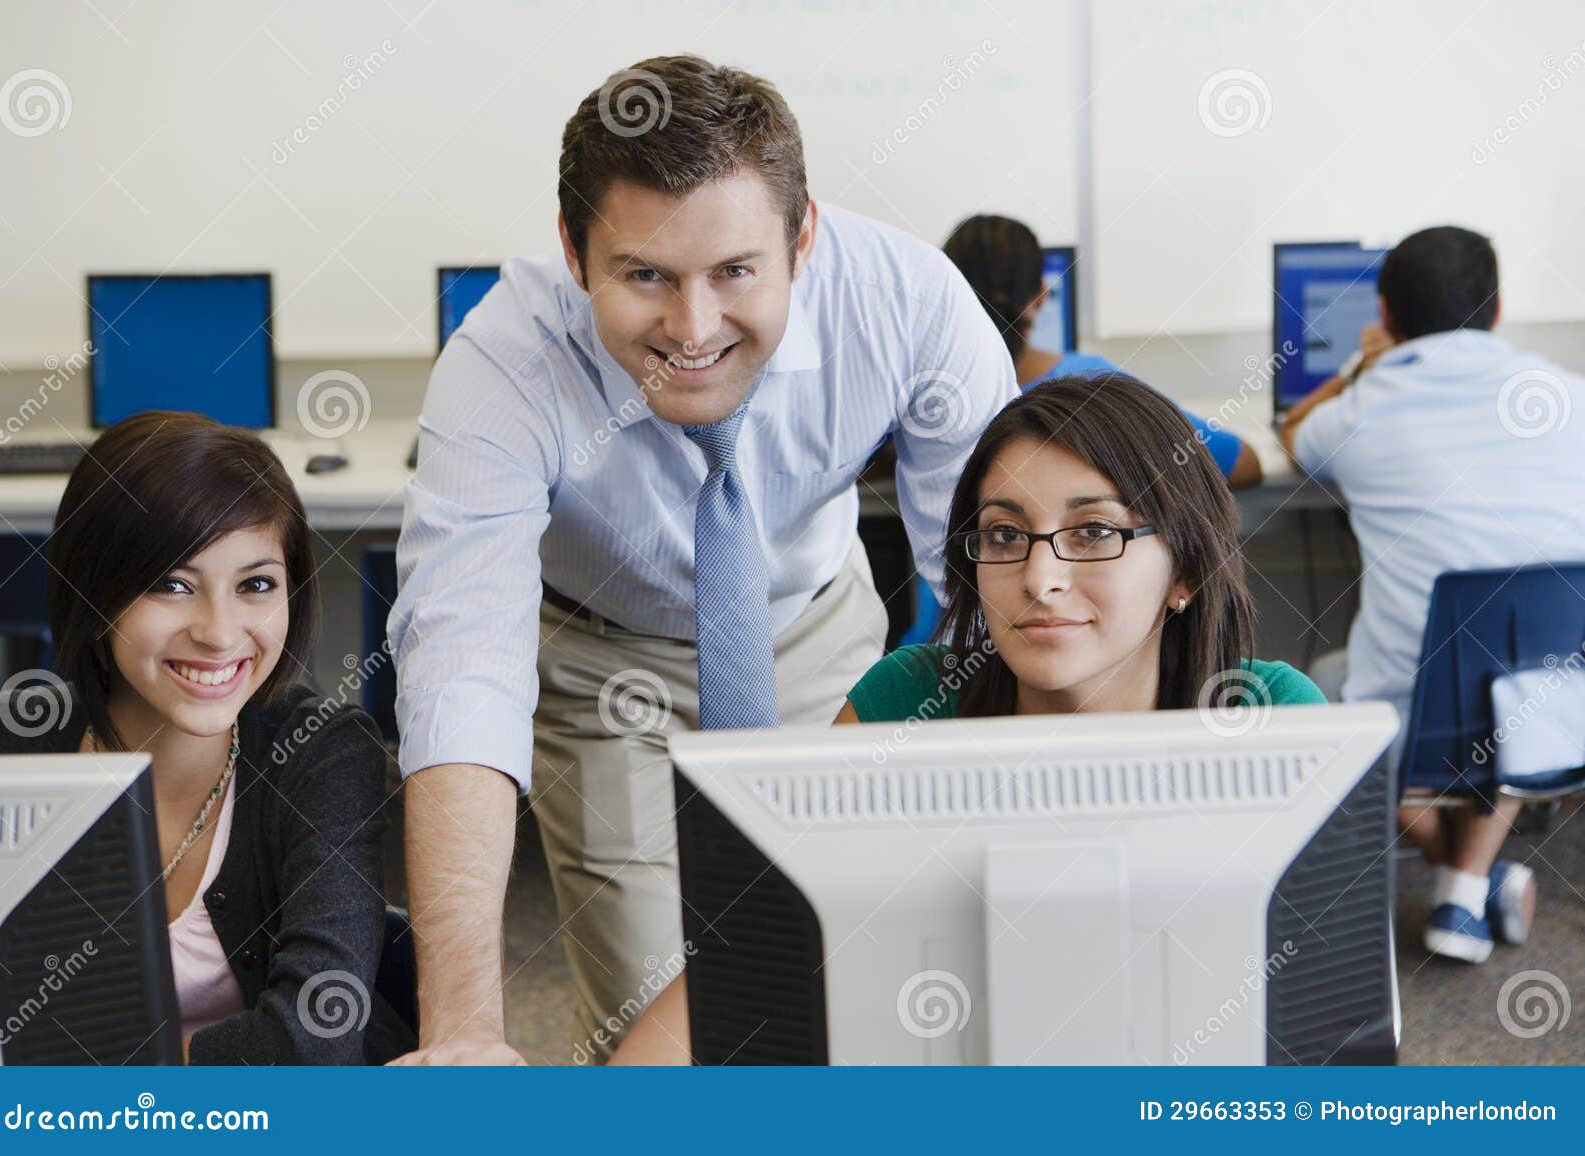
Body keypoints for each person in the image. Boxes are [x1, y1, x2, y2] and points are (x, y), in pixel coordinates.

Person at [386, 55, 1018, 1064]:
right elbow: (462, 675)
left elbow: (995, 593)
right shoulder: (506, 360)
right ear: (575, 253)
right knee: (663, 1029)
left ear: (802, 239)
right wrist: (461, 1033)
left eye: (734, 272)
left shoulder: (906, 305)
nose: (692, 329)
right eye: (645, 275)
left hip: (817, 634)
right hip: (603, 665)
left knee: (853, 984)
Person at [610, 370, 1323, 1064]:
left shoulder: (1264, 717)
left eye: (1094, 531)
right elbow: (754, 949)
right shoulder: (907, 706)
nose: (1040, 579)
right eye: (1005, 536)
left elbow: (1322, 1014)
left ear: (1185, 570)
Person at [0, 411, 414, 1063]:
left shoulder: (321, 753)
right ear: (94, 592)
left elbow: (312, 1039)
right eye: (173, 584)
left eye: (255, 585)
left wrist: (97, 1073)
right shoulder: (5, 742)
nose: (219, 632)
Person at [1281, 224, 1585, 963]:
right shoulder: (1567, 398)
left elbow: (1293, 434)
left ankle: (1463, 878)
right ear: (1498, 309)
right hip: (1553, 704)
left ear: (1384, 314)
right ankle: (1467, 887)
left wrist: (1359, 367)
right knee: (1502, 684)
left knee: (1331, 689)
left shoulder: (1365, 408)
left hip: (1417, 721)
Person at [941, 214, 1263, 487]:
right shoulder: (1094, 383)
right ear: (1041, 294)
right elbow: (1241, 463)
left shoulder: (931, 396)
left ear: (947, 299)